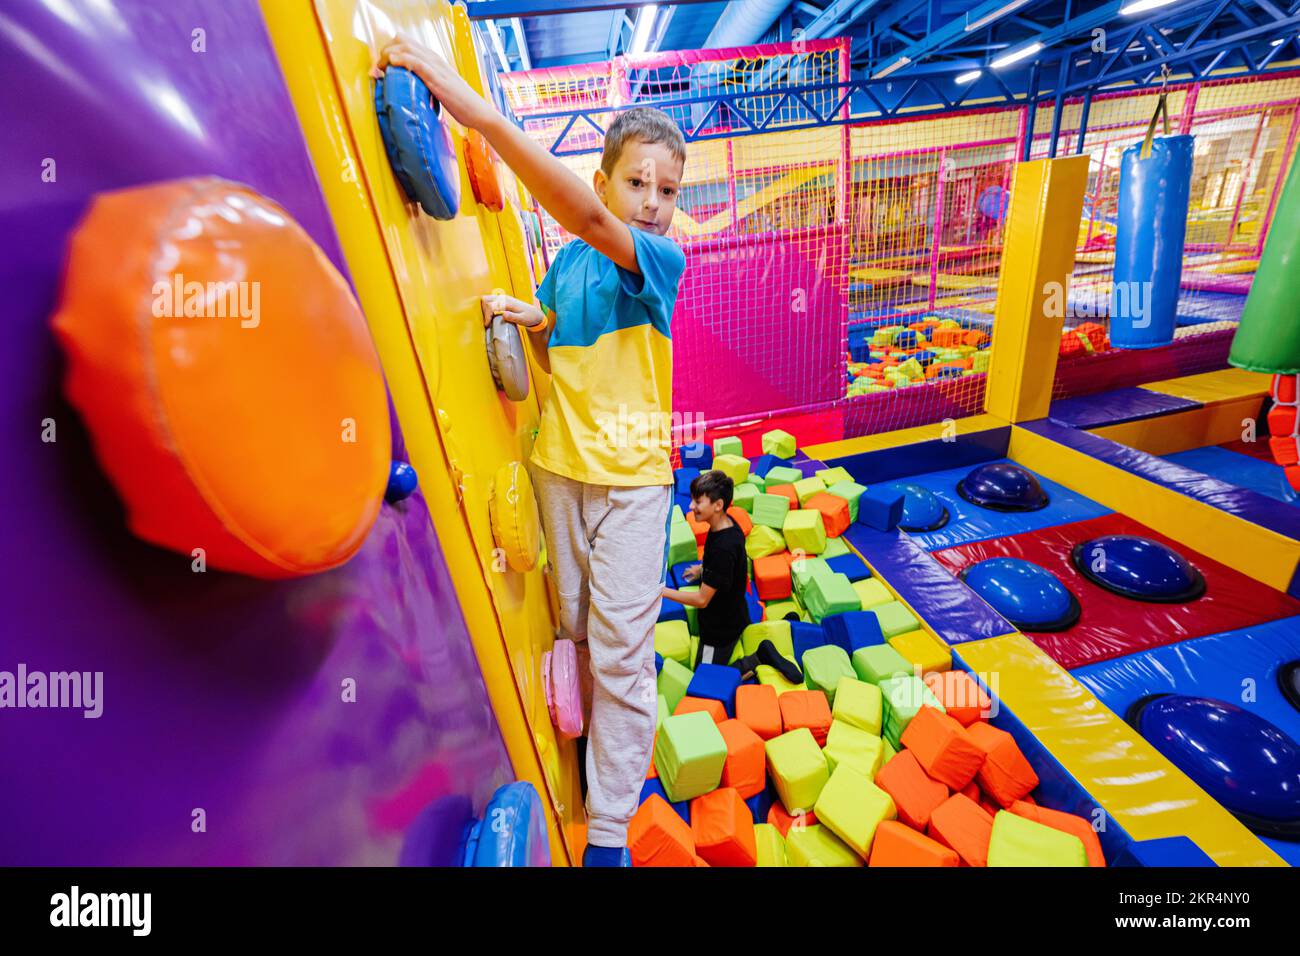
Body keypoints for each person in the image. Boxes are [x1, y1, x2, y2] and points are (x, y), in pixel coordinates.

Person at [374, 38, 687, 868]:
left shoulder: (654, 259)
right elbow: (556, 352)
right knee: (578, 629)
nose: (652, 203)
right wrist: (529, 322)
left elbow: (584, 221)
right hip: (559, 472)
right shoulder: (571, 268)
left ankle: (613, 827)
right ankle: (590, 761)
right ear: (606, 177)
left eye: (666, 190)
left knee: (624, 647)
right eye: (636, 184)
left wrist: (469, 108)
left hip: (630, 482)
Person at [662, 471, 803, 683]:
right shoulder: (728, 524)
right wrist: (703, 569)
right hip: (737, 612)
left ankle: (758, 657)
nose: (691, 506)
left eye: (698, 501)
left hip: (718, 632)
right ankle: (783, 627)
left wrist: (662, 591)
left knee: (704, 679)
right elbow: (731, 562)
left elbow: (701, 600)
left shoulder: (722, 549)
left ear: (717, 505)